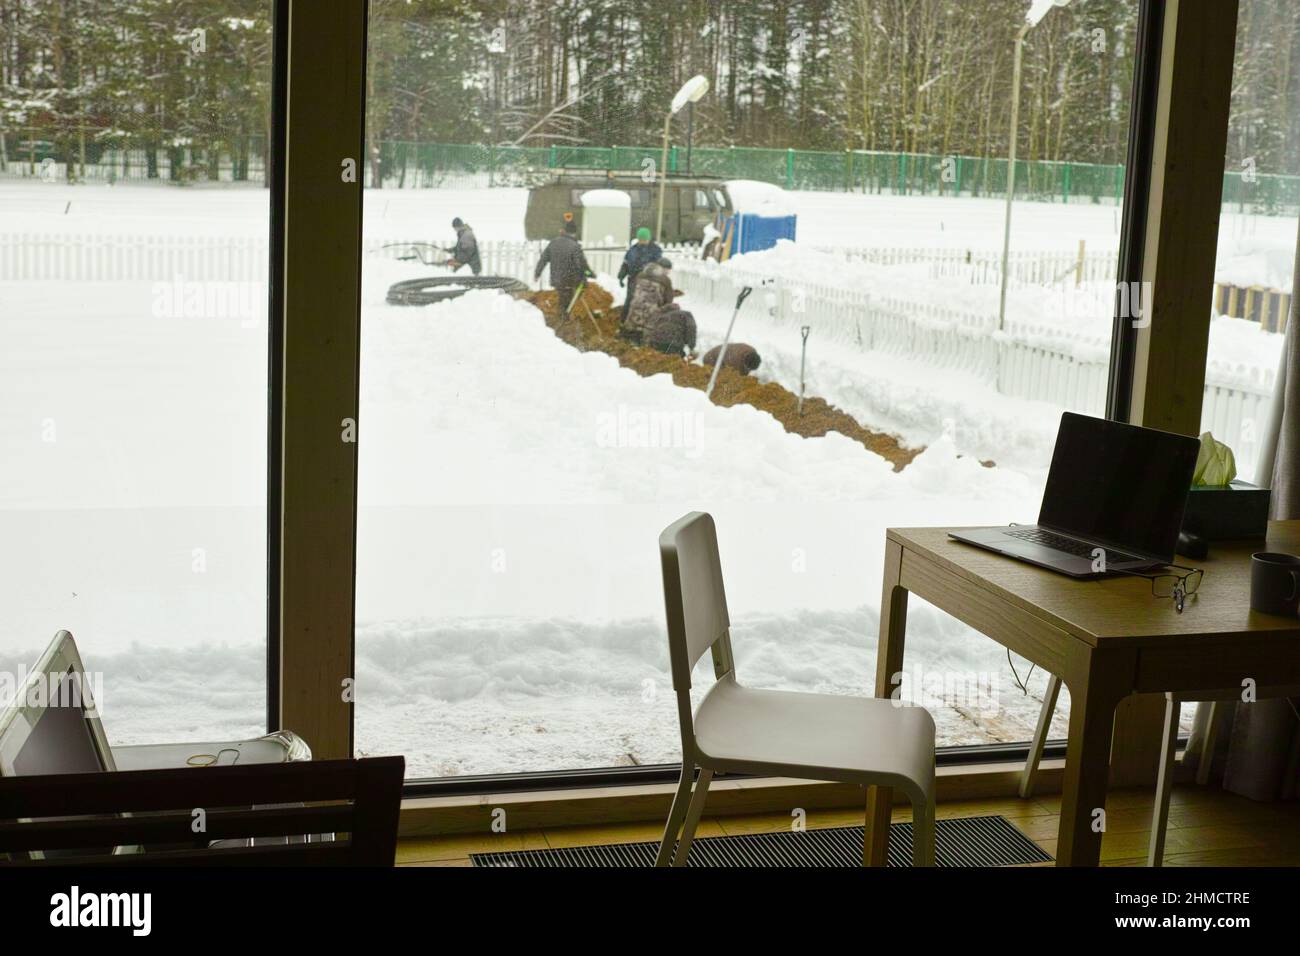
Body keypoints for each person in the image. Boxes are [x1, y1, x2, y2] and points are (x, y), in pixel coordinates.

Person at [534, 219, 593, 317]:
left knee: (563, 297)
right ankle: (565, 319)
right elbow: (581, 264)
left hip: (557, 278)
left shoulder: (553, 243)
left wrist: (537, 273)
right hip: (569, 279)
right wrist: (589, 274)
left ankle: (562, 317)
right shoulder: (575, 246)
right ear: (574, 233)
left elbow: (543, 259)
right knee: (569, 297)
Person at [621, 256, 674, 343]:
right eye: (668, 270)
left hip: (635, 306)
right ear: (664, 268)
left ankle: (627, 338)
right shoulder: (666, 280)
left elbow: (633, 290)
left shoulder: (641, 274)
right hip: (650, 310)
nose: (668, 272)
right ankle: (642, 343)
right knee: (649, 325)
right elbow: (668, 300)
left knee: (632, 324)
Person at [618, 227, 663, 322]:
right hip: (634, 280)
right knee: (631, 300)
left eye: (644, 239)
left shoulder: (655, 250)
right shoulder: (632, 250)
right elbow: (626, 264)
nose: (642, 241)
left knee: (647, 303)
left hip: (650, 281)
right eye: (641, 239)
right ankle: (625, 322)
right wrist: (621, 276)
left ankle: (647, 324)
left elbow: (659, 266)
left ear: (649, 239)